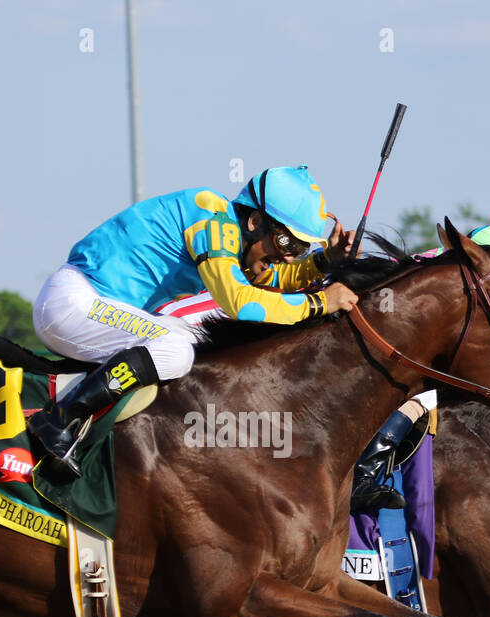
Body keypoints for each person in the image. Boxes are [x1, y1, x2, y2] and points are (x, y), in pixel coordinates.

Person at [25, 165, 360, 478]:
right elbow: (238, 300)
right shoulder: (213, 216)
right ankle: (61, 419)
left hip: (97, 305)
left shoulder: (232, 236)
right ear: (255, 221)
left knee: (198, 344)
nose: (288, 255)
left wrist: (324, 261)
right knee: (176, 350)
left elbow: (268, 280)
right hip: (74, 303)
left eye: (300, 249)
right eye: (287, 242)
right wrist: (317, 303)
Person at [349, 213, 490, 510]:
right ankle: (364, 474)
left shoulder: (453, 266)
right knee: (422, 397)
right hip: (370, 353)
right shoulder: (439, 269)